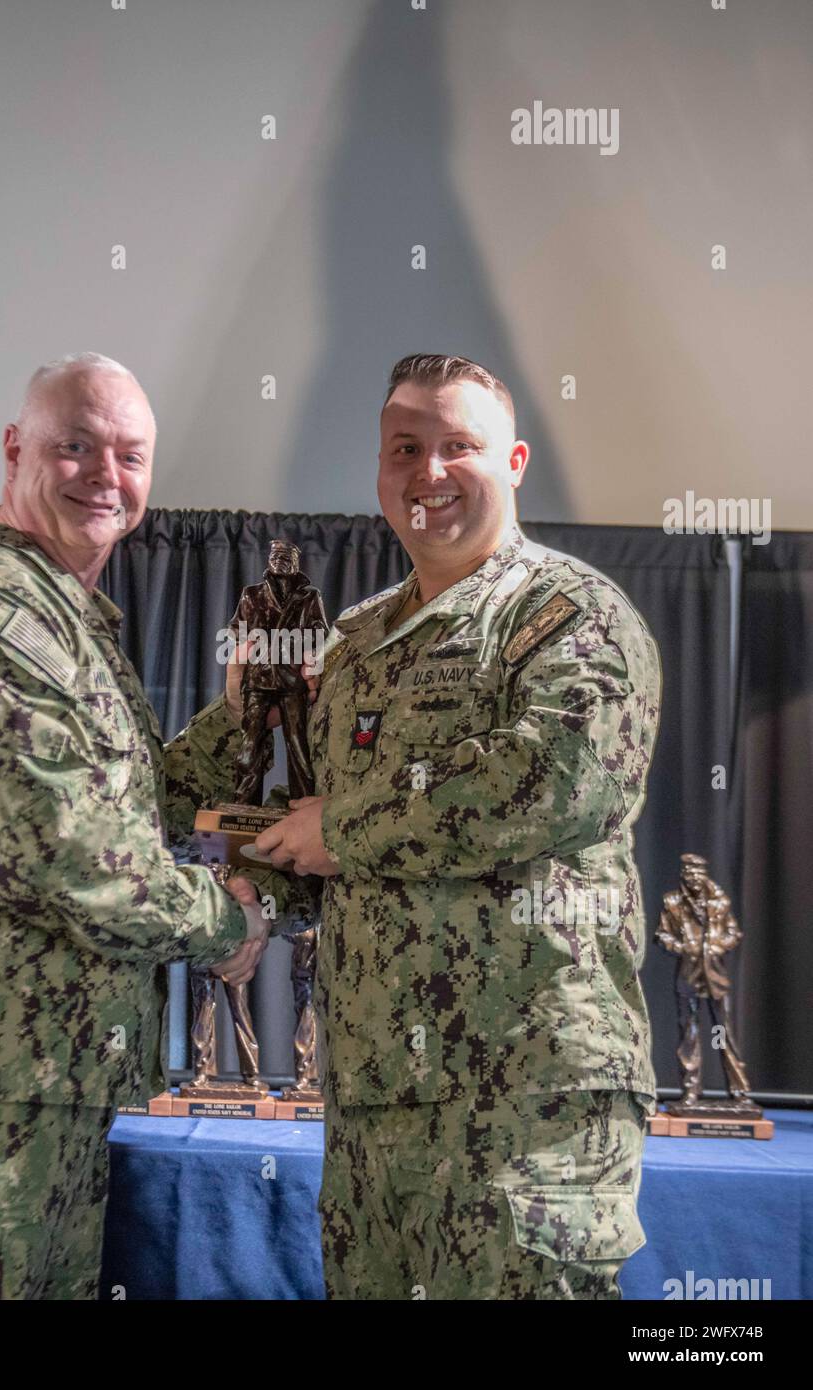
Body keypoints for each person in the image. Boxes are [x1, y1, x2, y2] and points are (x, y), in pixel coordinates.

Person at [0, 351, 269, 1300]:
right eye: (75, 446)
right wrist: (229, 923)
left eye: (129, 456)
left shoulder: (67, 621)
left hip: (41, 1082)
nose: (104, 477)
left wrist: (242, 718)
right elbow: (69, 856)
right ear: (14, 450)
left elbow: (126, 808)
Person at [254, 353, 663, 1299]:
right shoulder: (355, 643)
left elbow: (553, 783)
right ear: (380, 470)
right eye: (406, 449)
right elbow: (312, 823)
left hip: (527, 1105)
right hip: (374, 1107)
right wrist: (252, 876)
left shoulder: (574, 616)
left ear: (514, 461)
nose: (428, 473)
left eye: (457, 447)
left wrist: (343, 832)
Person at [656, 852, 750, 1105]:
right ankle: (691, 1090)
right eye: (690, 874)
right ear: (684, 876)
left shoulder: (719, 903)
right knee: (691, 1036)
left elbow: (733, 933)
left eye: (699, 873)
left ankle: (737, 1089)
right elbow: (662, 935)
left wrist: (720, 945)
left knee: (721, 1033)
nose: (695, 878)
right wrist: (681, 947)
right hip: (689, 980)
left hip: (715, 981)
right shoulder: (673, 902)